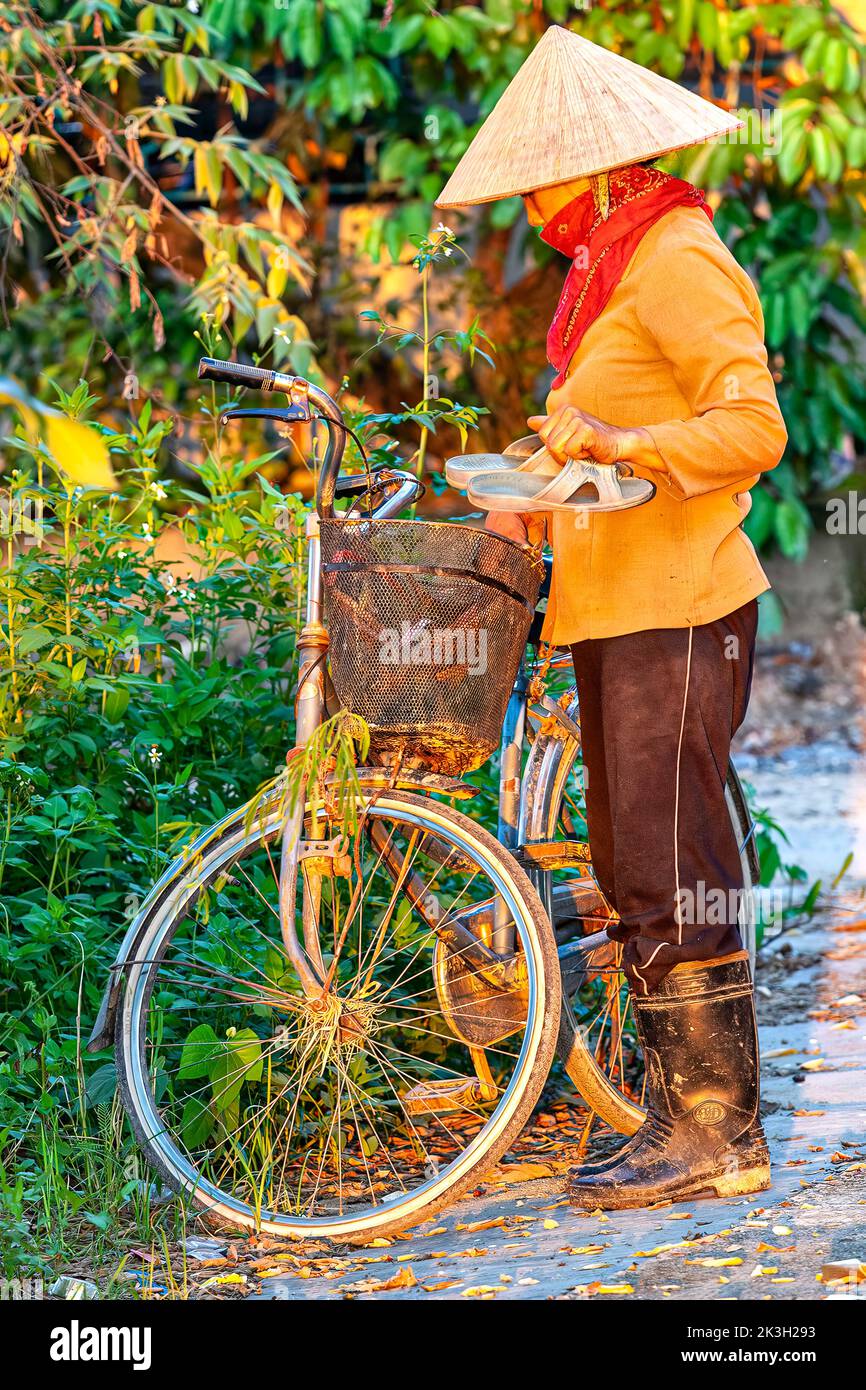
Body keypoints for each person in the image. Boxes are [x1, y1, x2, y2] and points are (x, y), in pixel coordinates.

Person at [436, 27, 787, 1210]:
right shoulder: (610, 273)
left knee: (666, 855)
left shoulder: (674, 255)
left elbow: (751, 429)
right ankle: (682, 1110)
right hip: (619, 605)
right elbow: (602, 432)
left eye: (543, 178)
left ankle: (714, 1132)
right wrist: (529, 483)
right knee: (641, 854)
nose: (532, 203)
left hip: (680, 605)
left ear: (596, 169)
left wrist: (624, 443)